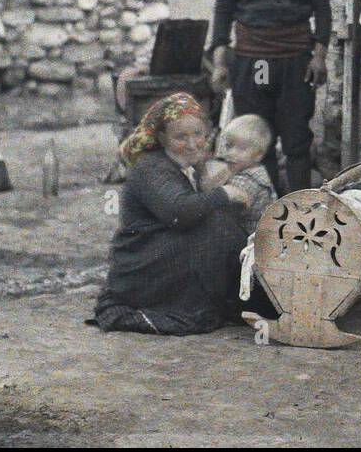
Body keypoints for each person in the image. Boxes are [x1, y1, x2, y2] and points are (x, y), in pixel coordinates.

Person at [209, 0, 332, 196]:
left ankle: (300, 208)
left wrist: (319, 56)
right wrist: (221, 61)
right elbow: (223, 11)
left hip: (294, 59)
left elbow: (322, 7)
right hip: (251, 60)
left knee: (296, 139)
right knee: (254, 136)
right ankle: (266, 207)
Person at [92, 93, 252, 336]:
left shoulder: (185, 166)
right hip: (139, 265)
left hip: (159, 253)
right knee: (216, 228)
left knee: (222, 227)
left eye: (198, 134)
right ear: (161, 138)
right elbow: (179, 212)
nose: (192, 144)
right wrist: (225, 193)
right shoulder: (151, 168)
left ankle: (233, 299)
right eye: (180, 137)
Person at [201, 113, 276, 236]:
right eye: (229, 146)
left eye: (241, 149)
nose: (232, 153)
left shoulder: (246, 181)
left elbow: (224, 213)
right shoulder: (256, 171)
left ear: (258, 155)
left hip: (249, 240)